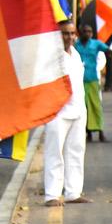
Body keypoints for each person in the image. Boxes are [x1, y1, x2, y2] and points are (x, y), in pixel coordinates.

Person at [44, 21, 90, 206]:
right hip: (57, 111)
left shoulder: (76, 55)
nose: (69, 37)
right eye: (65, 33)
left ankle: (73, 192)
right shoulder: (52, 56)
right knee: (55, 152)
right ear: (58, 35)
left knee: (76, 151)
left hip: (78, 109)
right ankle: (52, 194)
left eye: (72, 33)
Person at [74, 23, 110, 142]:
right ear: (80, 32)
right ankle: (88, 132)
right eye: (85, 31)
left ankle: (100, 131)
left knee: (96, 106)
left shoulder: (96, 44)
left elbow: (111, 52)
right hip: (79, 81)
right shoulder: (75, 45)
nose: (87, 34)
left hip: (92, 79)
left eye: (89, 31)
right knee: (83, 107)